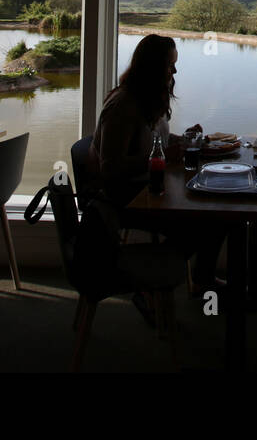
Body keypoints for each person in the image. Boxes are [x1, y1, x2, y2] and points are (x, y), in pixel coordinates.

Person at [89, 33, 221, 291]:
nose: (175, 70)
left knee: (213, 214)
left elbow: (155, 140)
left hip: (149, 188)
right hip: (125, 198)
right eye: (169, 64)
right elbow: (110, 167)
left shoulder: (147, 97)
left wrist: (184, 139)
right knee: (210, 221)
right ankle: (154, 281)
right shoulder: (122, 106)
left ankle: (191, 279)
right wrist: (159, 159)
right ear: (152, 66)